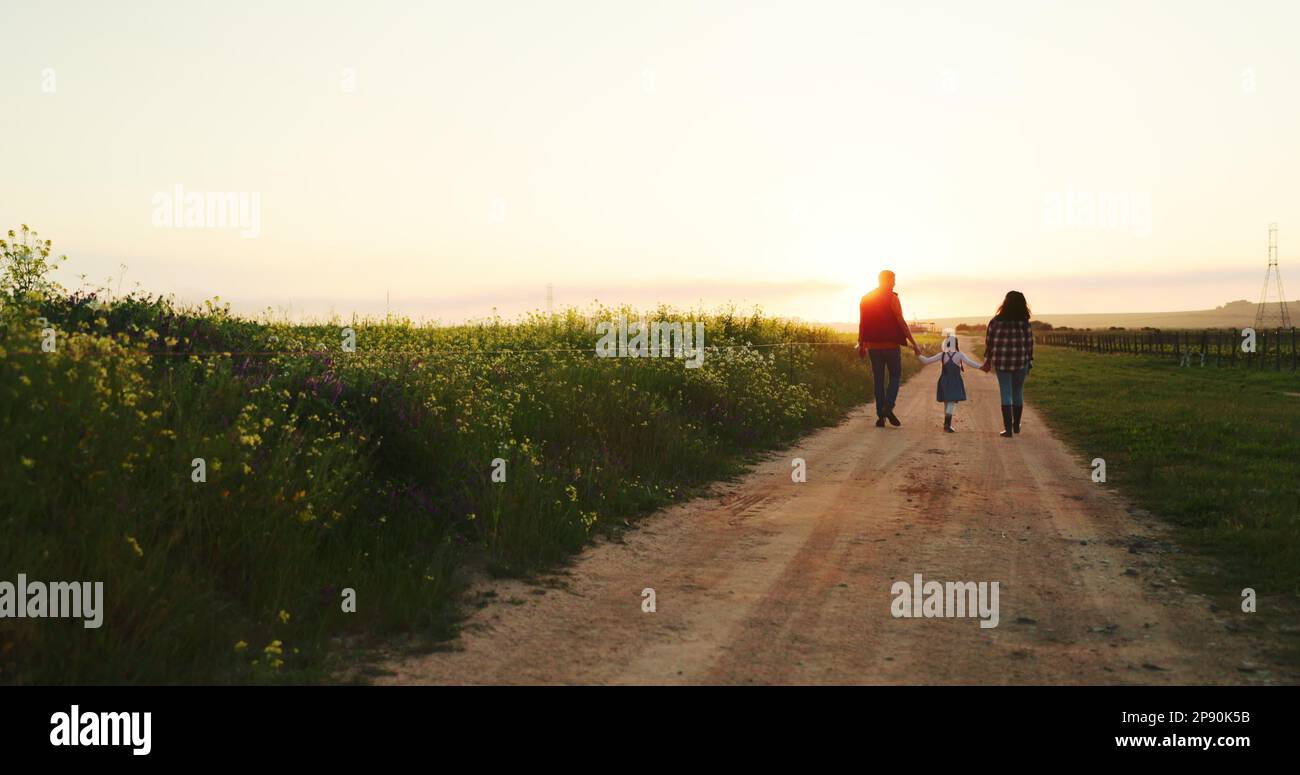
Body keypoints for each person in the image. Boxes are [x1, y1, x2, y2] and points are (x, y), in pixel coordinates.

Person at [857, 270, 922, 427]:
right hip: (891, 346)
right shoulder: (892, 298)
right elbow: (901, 322)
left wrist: (861, 344)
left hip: (873, 346)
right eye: (893, 280)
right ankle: (888, 407)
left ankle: (881, 416)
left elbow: (862, 323)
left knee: (878, 381)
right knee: (895, 376)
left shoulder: (865, 299)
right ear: (885, 280)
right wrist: (914, 343)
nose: (894, 283)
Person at [980, 291, 1034, 438]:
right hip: (1020, 361)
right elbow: (1029, 344)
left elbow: (989, 343)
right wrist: (1030, 361)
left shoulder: (995, 322)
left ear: (1005, 303)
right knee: (1018, 392)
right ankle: (1016, 425)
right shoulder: (1024, 323)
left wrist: (988, 360)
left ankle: (1008, 429)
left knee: (1006, 393)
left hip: (1002, 361)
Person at [916, 335, 984, 432]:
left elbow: (926, 361)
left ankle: (946, 424)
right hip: (955, 380)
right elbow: (970, 362)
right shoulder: (959, 355)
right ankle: (947, 425)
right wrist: (981, 367)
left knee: (946, 402)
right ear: (956, 344)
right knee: (951, 402)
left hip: (944, 380)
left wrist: (918, 354)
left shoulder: (942, 355)